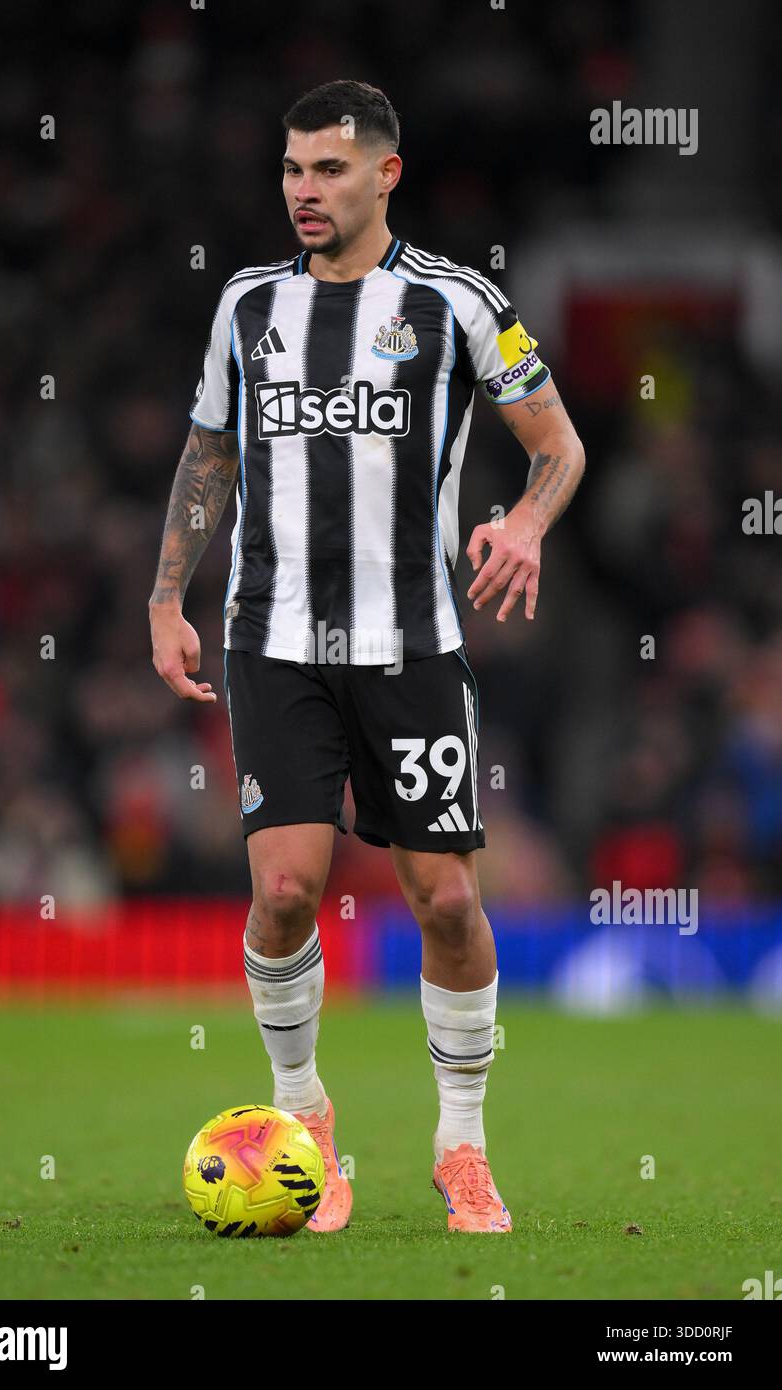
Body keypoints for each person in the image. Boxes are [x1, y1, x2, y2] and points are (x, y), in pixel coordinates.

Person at [150, 79, 585, 1233]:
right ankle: (304, 1122)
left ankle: (460, 1149)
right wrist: (164, 596)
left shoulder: (455, 302)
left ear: (384, 174)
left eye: (327, 170)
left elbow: (556, 445)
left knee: (444, 898)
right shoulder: (245, 307)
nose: (303, 190)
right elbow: (206, 454)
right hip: (274, 639)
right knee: (285, 889)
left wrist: (527, 520)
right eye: (291, 169)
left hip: (412, 646)